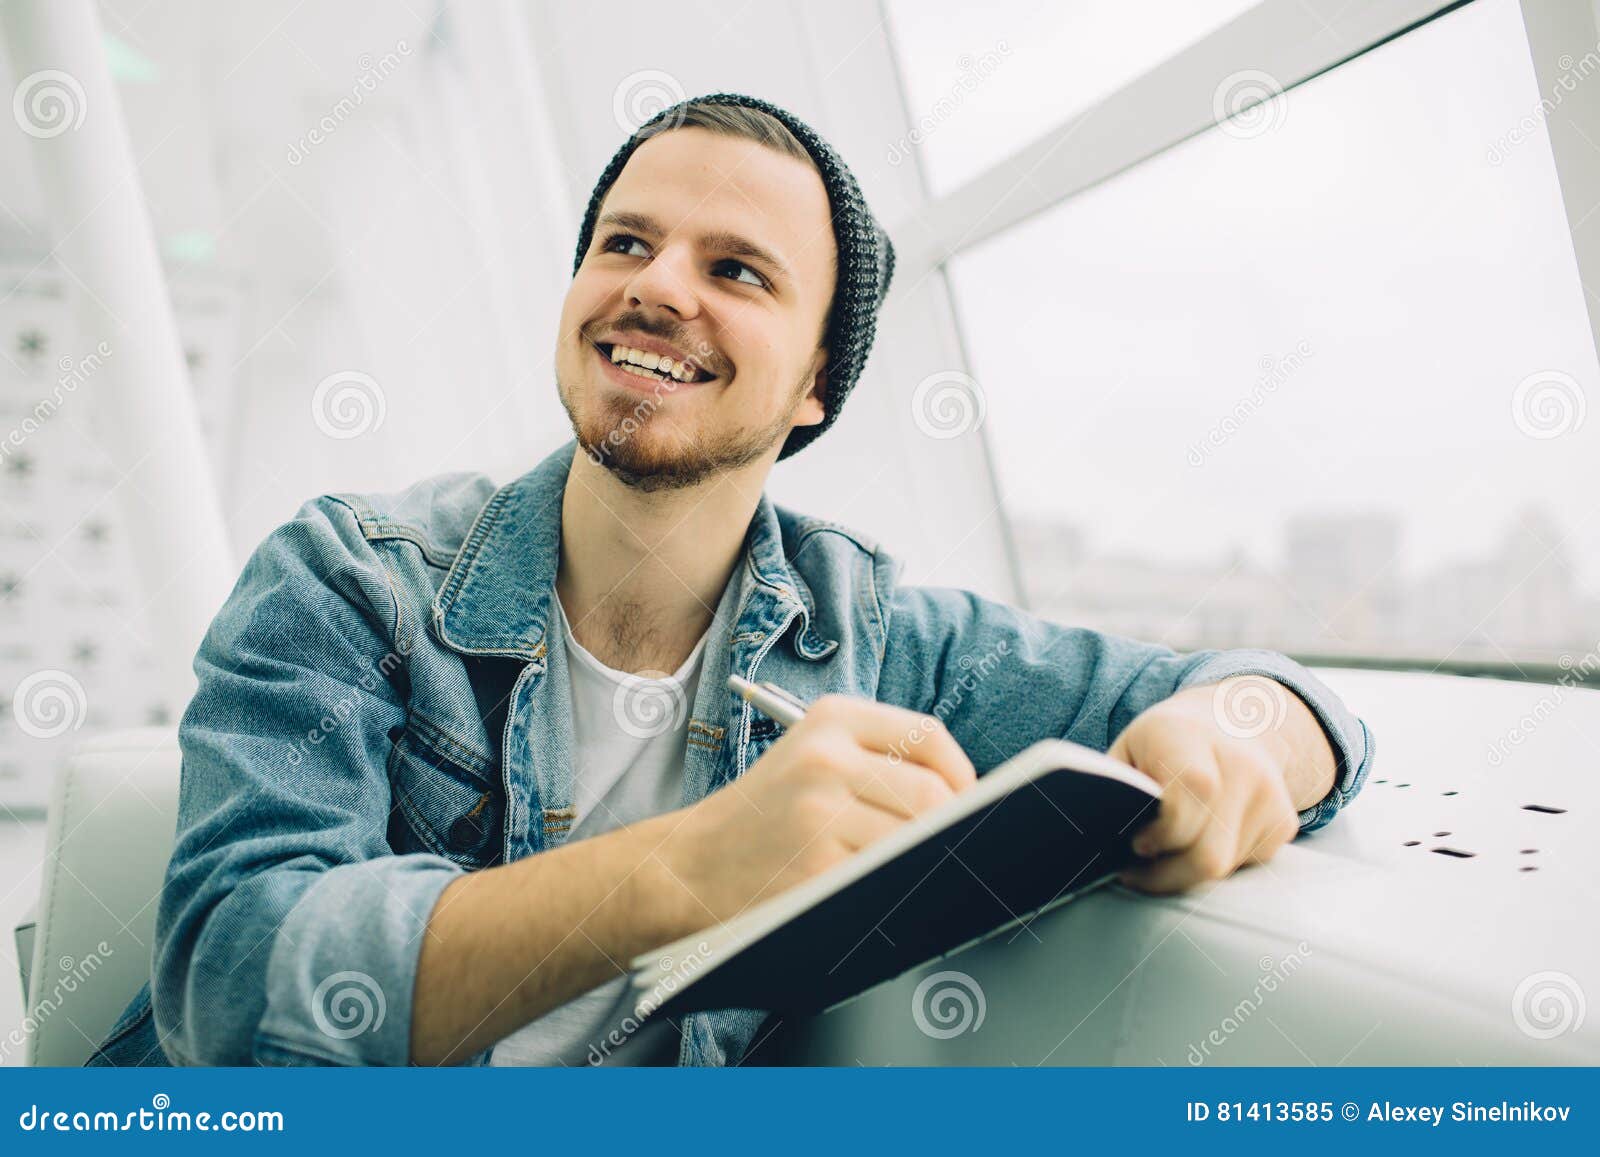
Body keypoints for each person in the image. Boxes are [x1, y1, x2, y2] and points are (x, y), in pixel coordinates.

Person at [88, 94, 1372, 1069]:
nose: (655, 287)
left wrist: (1231, 737)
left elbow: (1278, 703)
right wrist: (689, 867)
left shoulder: (875, 638)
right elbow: (231, 976)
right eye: (625, 243)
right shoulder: (350, 580)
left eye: (736, 270)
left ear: (817, 384)